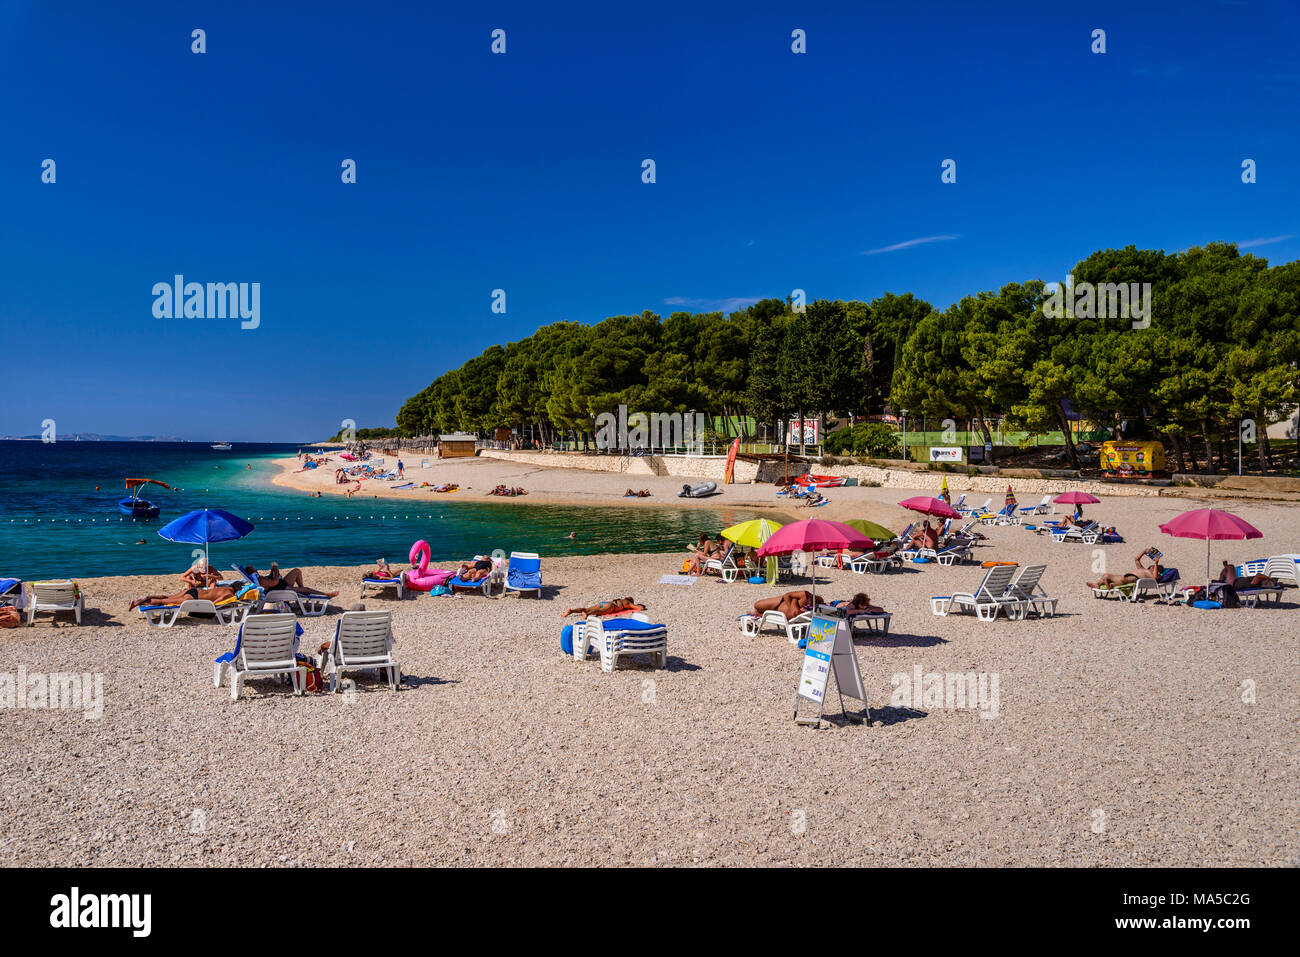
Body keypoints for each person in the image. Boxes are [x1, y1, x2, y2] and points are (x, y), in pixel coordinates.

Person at [243, 563, 339, 598]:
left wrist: (273, 570)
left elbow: (272, 580)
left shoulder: (258, 578)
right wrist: (276, 570)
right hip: (282, 589)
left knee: (296, 571)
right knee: (307, 589)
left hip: (282, 585)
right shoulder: (260, 580)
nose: (257, 570)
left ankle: (302, 590)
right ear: (252, 571)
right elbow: (275, 582)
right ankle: (326, 594)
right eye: (254, 569)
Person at [1087, 547, 1165, 590]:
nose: (1151, 566)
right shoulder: (1143, 569)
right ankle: (1098, 584)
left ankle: (1111, 585)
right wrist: (1144, 551)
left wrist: (1156, 564)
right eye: (1152, 566)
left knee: (1122, 580)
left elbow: (1155, 578)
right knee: (1106, 575)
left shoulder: (1152, 574)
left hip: (1133, 578)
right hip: (1126, 575)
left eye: (1154, 567)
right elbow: (1136, 559)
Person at [130, 581, 243, 610]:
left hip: (194, 590)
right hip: (194, 598)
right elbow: (215, 603)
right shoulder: (228, 593)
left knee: (168, 597)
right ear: (237, 589)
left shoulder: (224, 587)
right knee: (165, 602)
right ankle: (143, 602)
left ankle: (146, 597)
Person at [561, 597, 645, 618]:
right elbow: (639, 608)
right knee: (599, 611)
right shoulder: (628, 602)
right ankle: (587, 614)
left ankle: (571, 611)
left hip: (604, 603)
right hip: (611, 606)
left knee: (587, 608)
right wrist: (641, 606)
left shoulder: (621, 600)